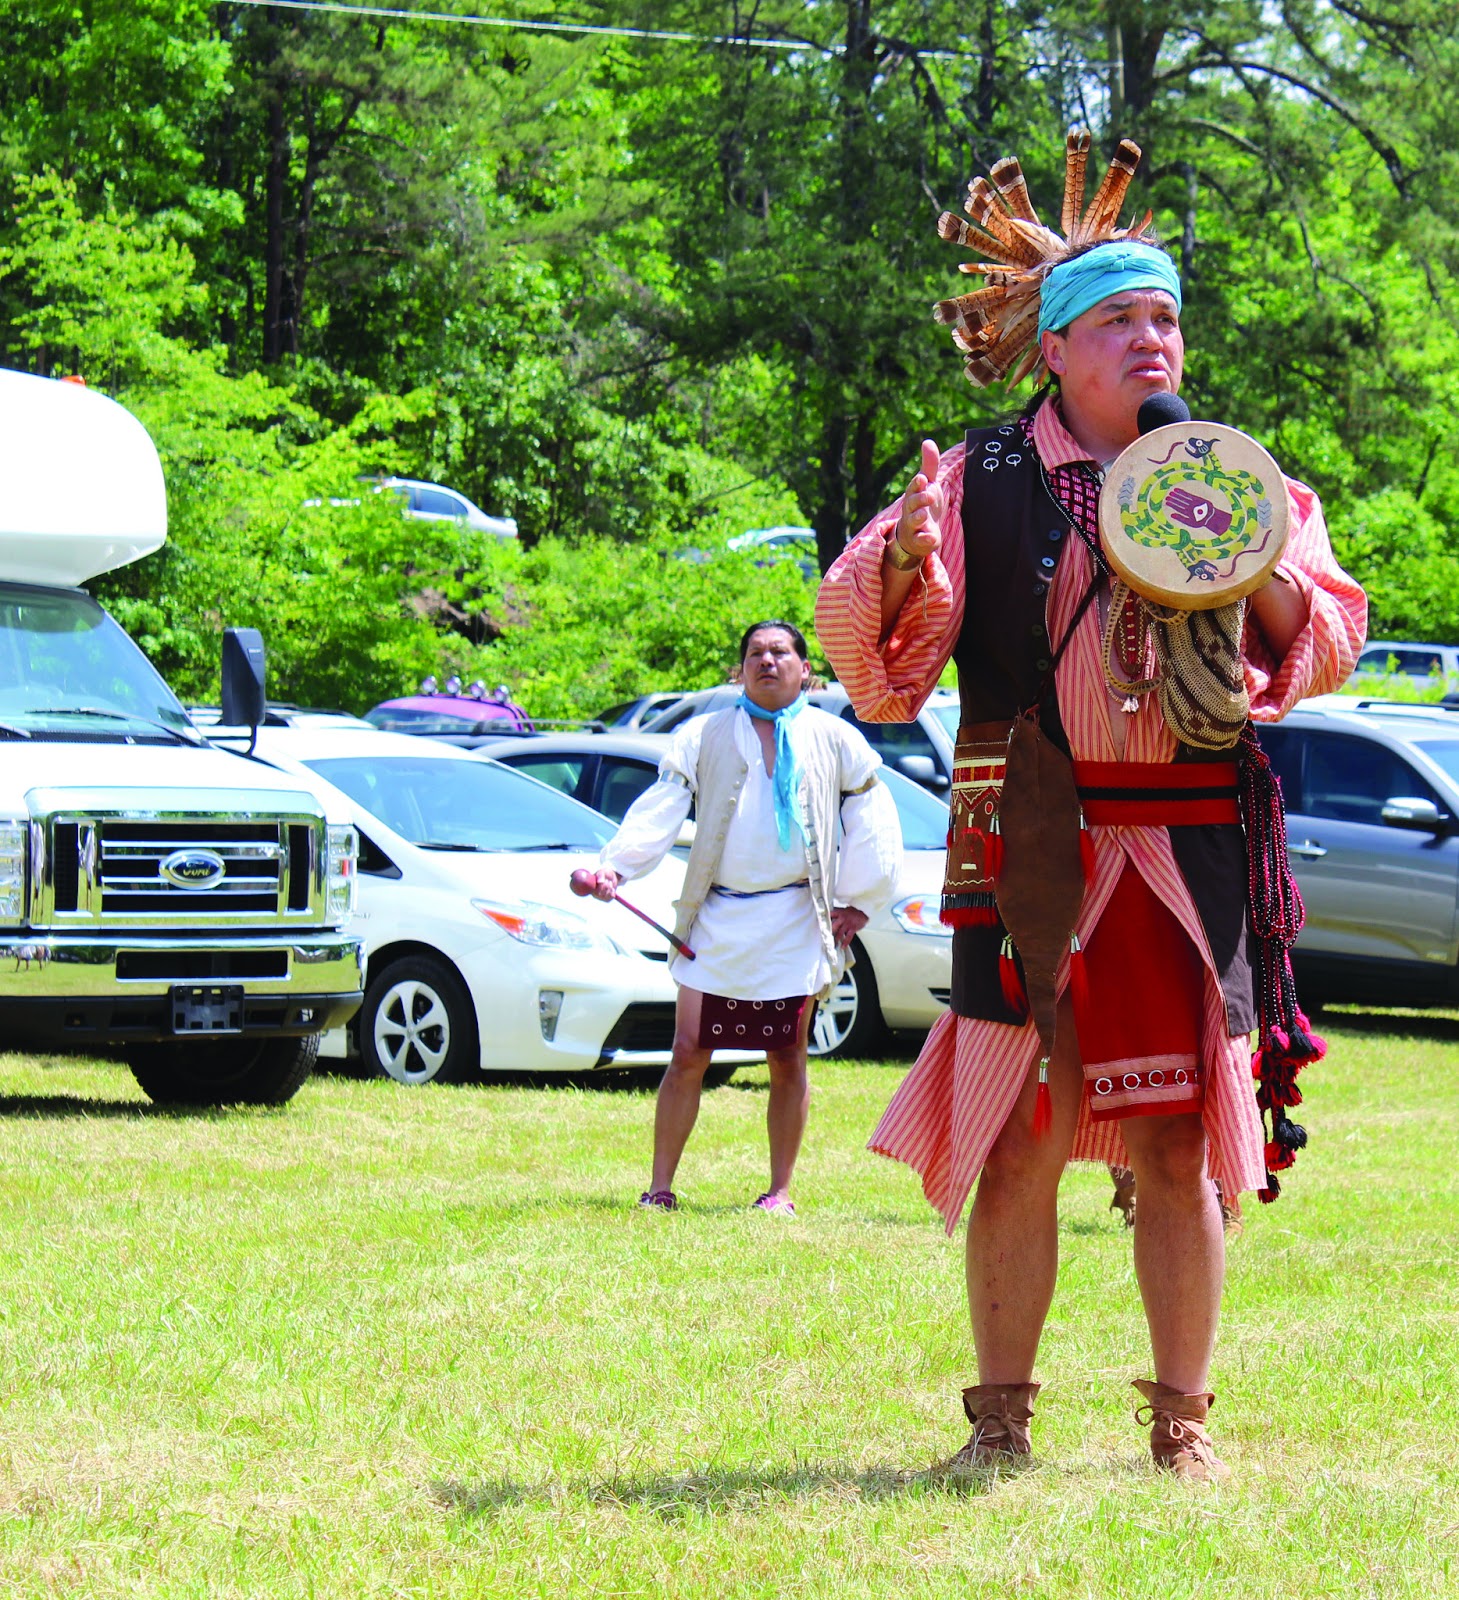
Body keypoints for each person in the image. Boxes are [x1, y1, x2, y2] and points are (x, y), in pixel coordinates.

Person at [816, 132, 1366, 1479]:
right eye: (1117, 319)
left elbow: (1321, 636)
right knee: (1013, 1134)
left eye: (1165, 317)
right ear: (1053, 348)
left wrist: (1250, 570)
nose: (1150, 341)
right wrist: (905, 560)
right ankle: (994, 1427)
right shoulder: (977, 482)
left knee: (1177, 1145)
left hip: (1185, 841)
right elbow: (872, 668)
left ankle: (1180, 1429)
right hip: (1028, 843)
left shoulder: (1229, 478)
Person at [582, 620, 902, 1216]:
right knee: (687, 1052)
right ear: (739, 670)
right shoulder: (702, 735)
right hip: (717, 917)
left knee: (788, 1057)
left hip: (794, 919)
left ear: (806, 668)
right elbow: (663, 806)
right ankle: (659, 1188)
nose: (768, 661)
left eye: (781, 652)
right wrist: (617, 870)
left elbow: (872, 815)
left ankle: (779, 1191)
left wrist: (859, 899)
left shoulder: (835, 738)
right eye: (755, 653)